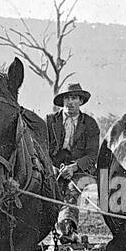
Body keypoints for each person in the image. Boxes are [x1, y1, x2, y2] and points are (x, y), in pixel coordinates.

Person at [46, 83, 101, 241]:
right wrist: (51, 167)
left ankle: (67, 229)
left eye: (74, 98)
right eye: (67, 98)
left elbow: (92, 155)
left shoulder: (90, 124)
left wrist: (74, 166)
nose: (70, 102)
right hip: (54, 167)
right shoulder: (50, 121)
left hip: (80, 170)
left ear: (81, 101)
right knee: (49, 190)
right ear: (62, 101)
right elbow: (42, 147)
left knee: (71, 189)